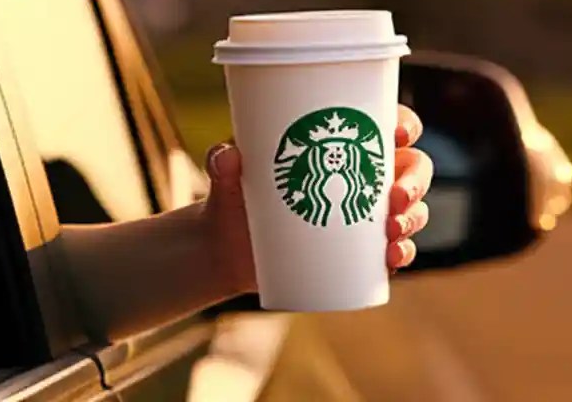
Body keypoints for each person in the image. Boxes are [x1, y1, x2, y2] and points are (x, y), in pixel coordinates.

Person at [58, 105, 432, 339]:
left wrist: (217, 250)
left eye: (342, 153)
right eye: (327, 153)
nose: (334, 159)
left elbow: (33, 289)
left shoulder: (60, 187)